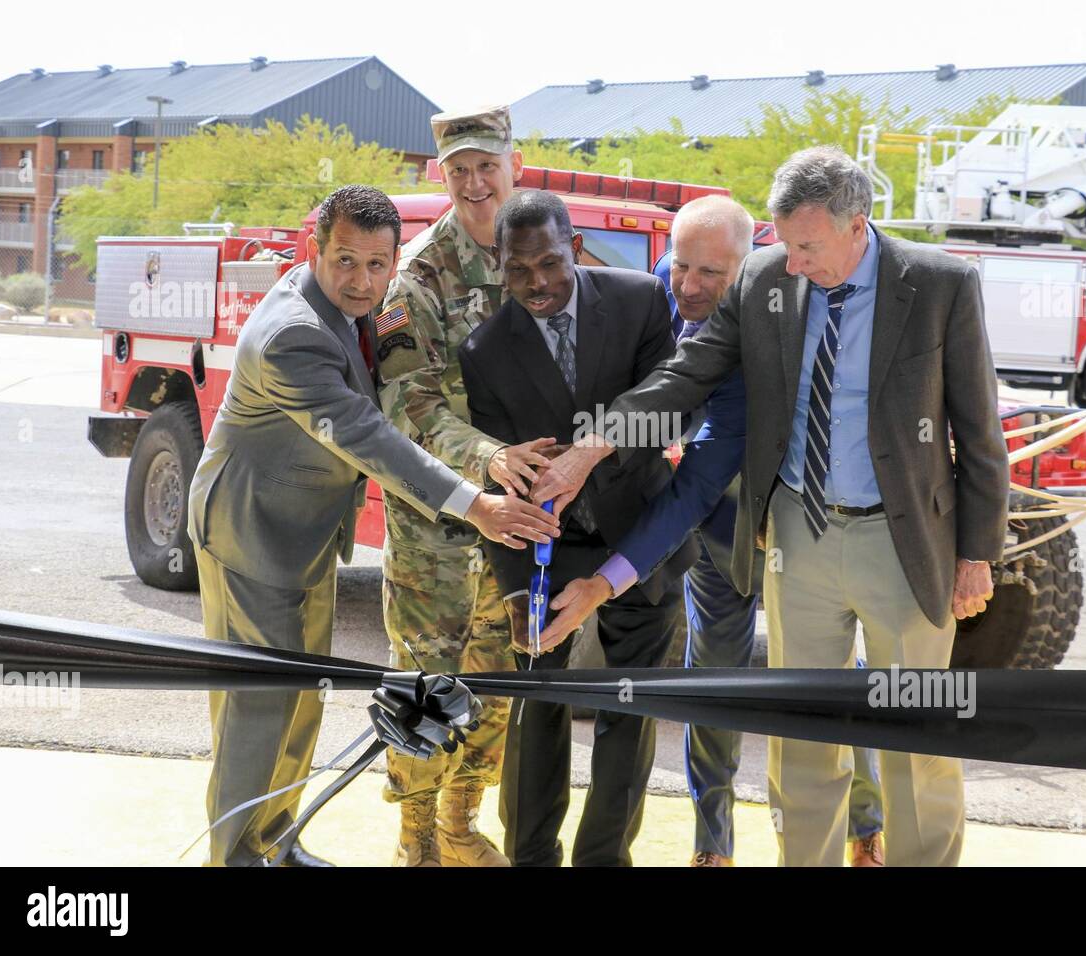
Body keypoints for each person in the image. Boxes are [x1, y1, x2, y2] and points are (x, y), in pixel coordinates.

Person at [533, 147, 1010, 867]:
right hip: (798, 535)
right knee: (799, 737)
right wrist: (592, 446)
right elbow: (688, 373)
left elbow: (979, 429)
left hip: (905, 540)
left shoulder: (939, 283)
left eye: (808, 246)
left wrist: (976, 553)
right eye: (784, 244)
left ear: (859, 225)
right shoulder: (763, 276)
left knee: (915, 732)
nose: (792, 264)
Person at [187, 185, 559, 868]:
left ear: (394, 261)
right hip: (252, 533)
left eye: (377, 264)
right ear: (313, 251)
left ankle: (275, 841)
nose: (362, 281)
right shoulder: (292, 334)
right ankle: (233, 858)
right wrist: (475, 502)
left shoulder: (353, 311)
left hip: (299, 534)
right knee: (258, 712)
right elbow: (365, 435)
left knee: (299, 698)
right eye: (346, 261)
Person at [541, 195, 887, 866]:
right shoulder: (662, 301)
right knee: (713, 677)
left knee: (824, 680)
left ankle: (863, 829)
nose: (690, 288)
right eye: (681, 268)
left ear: (752, 263)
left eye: (712, 276)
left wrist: (607, 581)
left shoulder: (780, 308)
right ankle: (712, 844)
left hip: (799, 528)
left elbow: (698, 479)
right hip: (719, 534)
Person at [457, 189, 694, 866]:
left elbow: (669, 415)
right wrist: (514, 596)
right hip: (544, 550)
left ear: (577, 249)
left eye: (551, 263)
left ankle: (603, 858)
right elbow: (499, 486)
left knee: (629, 708)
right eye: (518, 270)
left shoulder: (641, 301)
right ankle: (531, 856)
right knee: (537, 704)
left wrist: (596, 450)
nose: (537, 283)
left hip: (637, 537)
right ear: (498, 265)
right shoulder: (484, 351)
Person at [373, 105, 555, 867]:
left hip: (516, 528)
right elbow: (408, 408)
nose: (476, 183)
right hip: (439, 537)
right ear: (440, 177)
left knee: (495, 687)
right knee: (425, 689)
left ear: (515, 167)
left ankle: (458, 823)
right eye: (459, 172)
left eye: (488, 166)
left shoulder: (542, 262)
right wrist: (490, 457)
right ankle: (415, 841)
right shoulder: (413, 278)